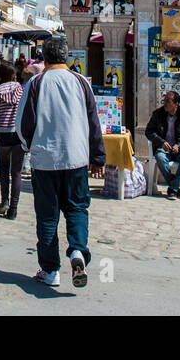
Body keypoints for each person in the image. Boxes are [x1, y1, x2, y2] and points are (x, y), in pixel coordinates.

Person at [15, 36, 105, 288]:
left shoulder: (36, 82)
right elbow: (93, 122)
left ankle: (50, 269)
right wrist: (97, 157)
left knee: (47, 216)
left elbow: (23, 123)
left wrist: (29, 146)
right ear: (66, 56)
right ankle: (77, 252)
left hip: (45, 161)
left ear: (44, 56)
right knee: (77, 208)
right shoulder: (81, 82)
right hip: (76, 158)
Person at [0, 60, 25, 218]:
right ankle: (14, 208)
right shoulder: (21, 89)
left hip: (3, 132)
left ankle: (4, 201)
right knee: (16, 171)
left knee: (3, 168)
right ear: (14, 74)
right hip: (18, 133)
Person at [145, 90, 180, 198]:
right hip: (164, 149)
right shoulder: (158, 114)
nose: (165, 103)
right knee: (160, 157)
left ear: (176, 104)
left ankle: (173, 188)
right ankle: (175, 187)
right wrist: (161, 142)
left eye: (168, 101)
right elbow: (149, 131)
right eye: (164, 101)